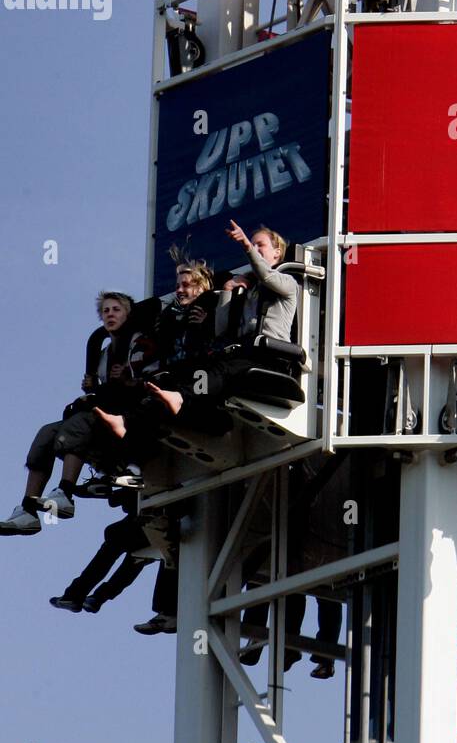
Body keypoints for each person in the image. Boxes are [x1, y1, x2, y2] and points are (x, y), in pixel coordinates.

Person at [98, 221, 298, 443]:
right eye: (253, 244)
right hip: (243, 357)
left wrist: (245, 245)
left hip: (270, 358)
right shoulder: (248, 291)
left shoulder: (287, 282)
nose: (255, 247)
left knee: (215, 372)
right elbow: (222, 330)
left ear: (277, 253)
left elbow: (267, 276)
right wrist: (229, 293)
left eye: (260, 245)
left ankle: (181, 398)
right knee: (178, 380)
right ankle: (130, 421)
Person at [0, 292, 152, 536]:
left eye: (116, 309)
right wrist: (93, 389)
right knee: (46, 434)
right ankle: (28, 509)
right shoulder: (104, 353)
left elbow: (151, 378)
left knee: (77, 424)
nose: (110, 314)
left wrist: (128, 379)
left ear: (128, 314)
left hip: (130, 413)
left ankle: (65, 492)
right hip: (106, 407)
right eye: (106, 311)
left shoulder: (139, 342)